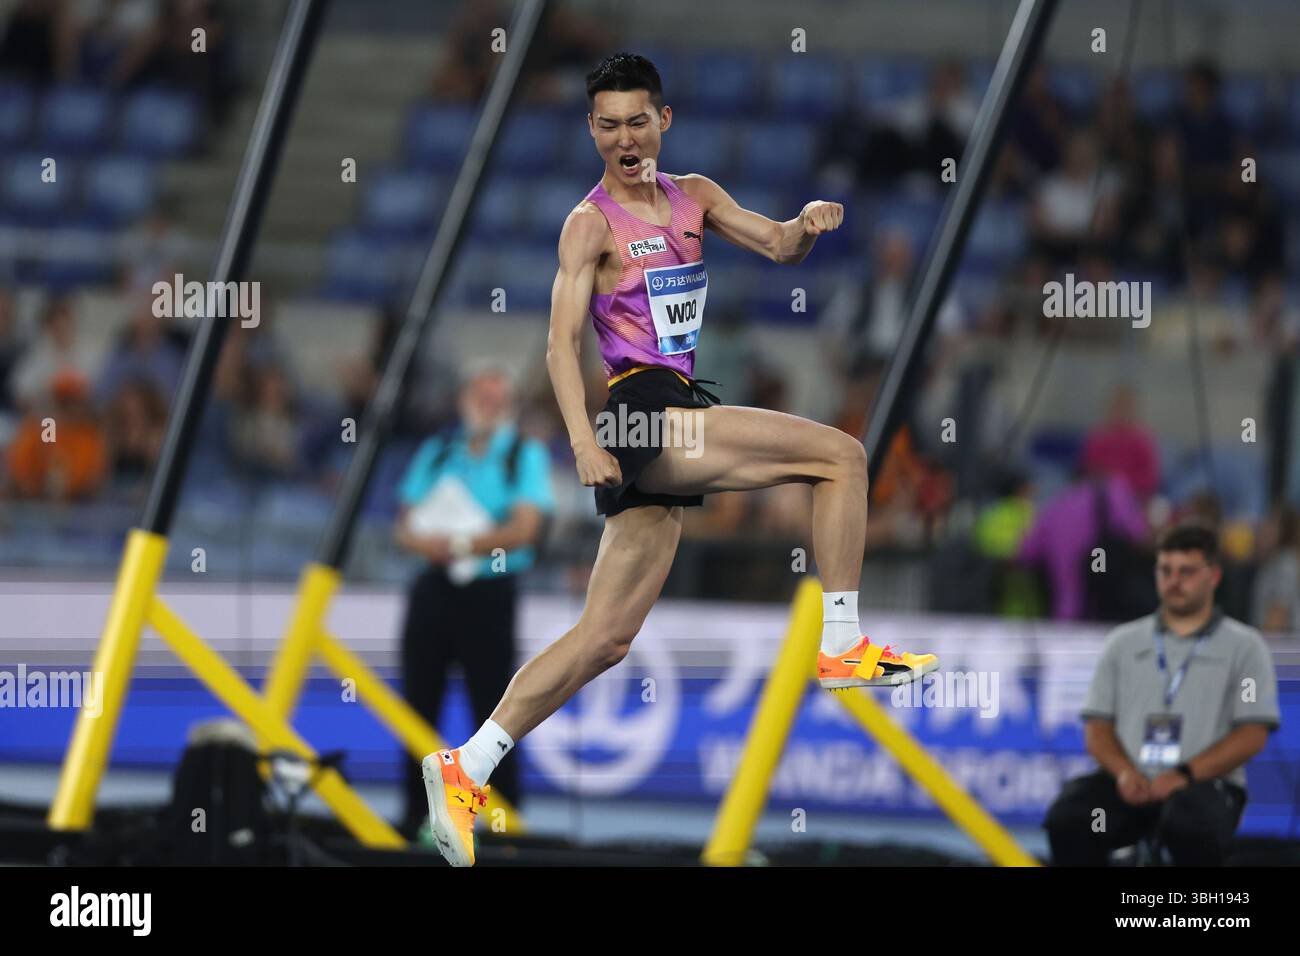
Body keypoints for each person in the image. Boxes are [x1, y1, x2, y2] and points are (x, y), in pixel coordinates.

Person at [421, 52, 937, 867]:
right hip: (639, 415)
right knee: (841, 456)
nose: (623, 138)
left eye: (637, 121)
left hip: (670, 416)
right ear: (591, 129)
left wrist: (804, 225)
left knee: (604, 638)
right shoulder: (588, 225)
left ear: (664, 121)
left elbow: (776, 246)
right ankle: (841, 643)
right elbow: (558, 345)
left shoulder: (695, 197)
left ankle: (467, 763)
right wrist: (585, 441)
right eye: (607, 124)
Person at [1043, 523, 1280, 866]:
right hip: (1131, 784)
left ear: (1213, 576)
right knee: (1071, 818)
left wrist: (1184, 775)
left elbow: (1252, 733)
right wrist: (1124, 772)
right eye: (1165, 570)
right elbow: (1097, 726)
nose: (1174, 581)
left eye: (1186, 571)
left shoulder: (1245, 647)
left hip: (1206, 786)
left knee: (1189, 826)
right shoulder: (1123, 643)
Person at [395, 366, 554, 841]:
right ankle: (416, 819)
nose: (487, 404)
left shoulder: (524, 455)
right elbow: (404, 525)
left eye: (497, 397)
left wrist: (462, 544)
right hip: (434, 589)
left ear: (509, 406)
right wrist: (436, 549)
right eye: (480, 394)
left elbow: (526, 529)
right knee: (418, 704)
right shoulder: (438, 450)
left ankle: (503, 823)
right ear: (464, 398)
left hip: (490, 595)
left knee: (496, 710)